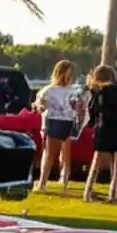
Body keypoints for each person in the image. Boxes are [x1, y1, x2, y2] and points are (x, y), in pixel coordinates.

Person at [82, 64, 117, 203]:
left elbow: (93, 111)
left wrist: (90, 124)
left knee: (96, 161)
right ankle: (113, 193)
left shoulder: (99, 92)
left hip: (102, 128)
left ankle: (88, 192)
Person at [32, 60, 80, 196]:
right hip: (52, 122)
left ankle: (63, 181)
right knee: (50, 153)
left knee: (65, 153)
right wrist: (41, 106)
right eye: (67, 73)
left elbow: (76, 107)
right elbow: (40, 105)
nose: (69, 77)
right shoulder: (49, 90)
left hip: (66, 121)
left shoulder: (72, 91)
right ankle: (43, 182)